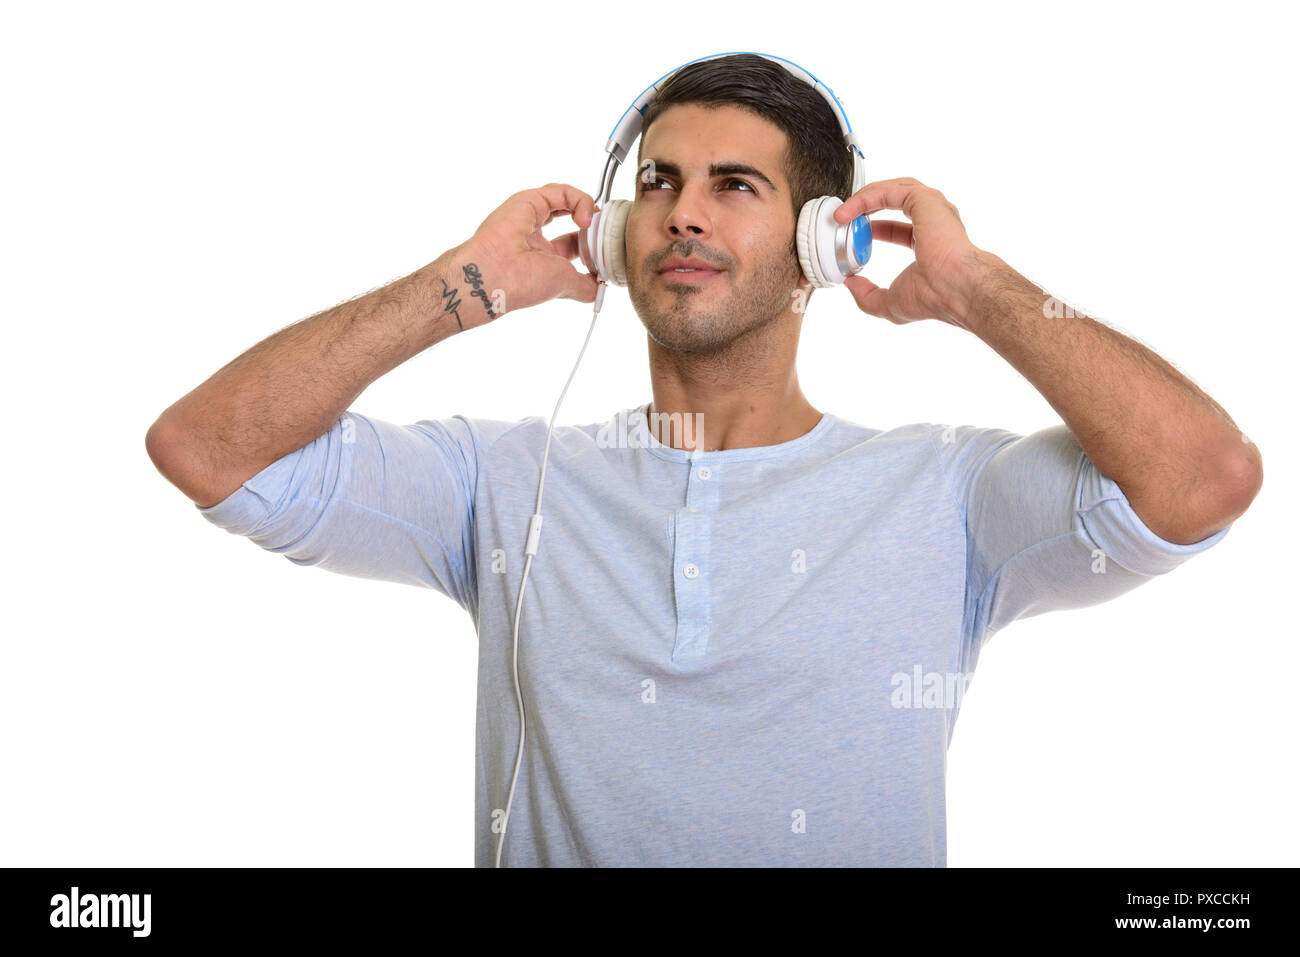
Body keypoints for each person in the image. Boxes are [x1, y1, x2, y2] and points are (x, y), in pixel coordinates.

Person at [145, 54, 1263, 867]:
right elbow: (208, 449)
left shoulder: (943, 497)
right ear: (611, 234)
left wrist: (976, 290)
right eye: (659, 183)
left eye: (736, 186)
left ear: (825, 241)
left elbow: (1201, 478)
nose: (683, 216)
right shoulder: (499, 487)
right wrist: (462, 287)